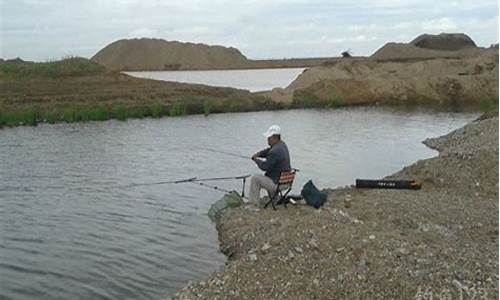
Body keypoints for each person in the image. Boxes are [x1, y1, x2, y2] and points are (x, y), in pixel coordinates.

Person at [249, 125, 291, 205]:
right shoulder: (282, 145)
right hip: (286, 181)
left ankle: (253, 204)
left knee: (255, 178)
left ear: (275, 137)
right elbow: (268, 151)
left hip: (278, 184)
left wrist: (256, 160)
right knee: (269, 176)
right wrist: (259, 154)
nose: (267, 139)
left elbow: (264, 167)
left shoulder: (275, 151)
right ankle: (275, 200)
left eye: (269, 137)